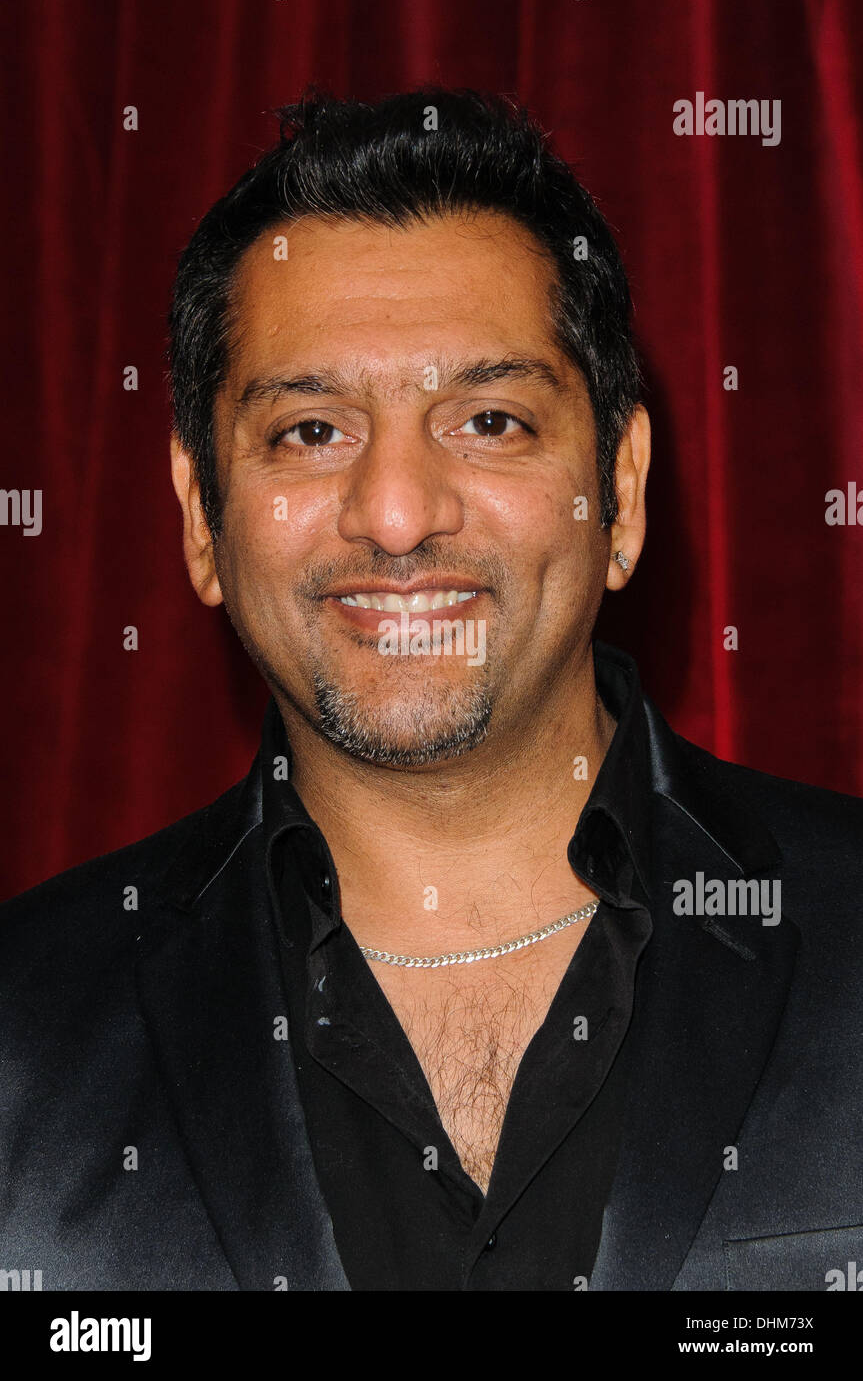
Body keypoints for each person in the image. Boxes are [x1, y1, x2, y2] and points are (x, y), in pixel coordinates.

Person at [1, 88, 861, 1293]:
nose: (397, 514)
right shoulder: (23, 1026)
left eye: (487, 419)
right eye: (310, 431)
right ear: (201, 516)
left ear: (619, 490)